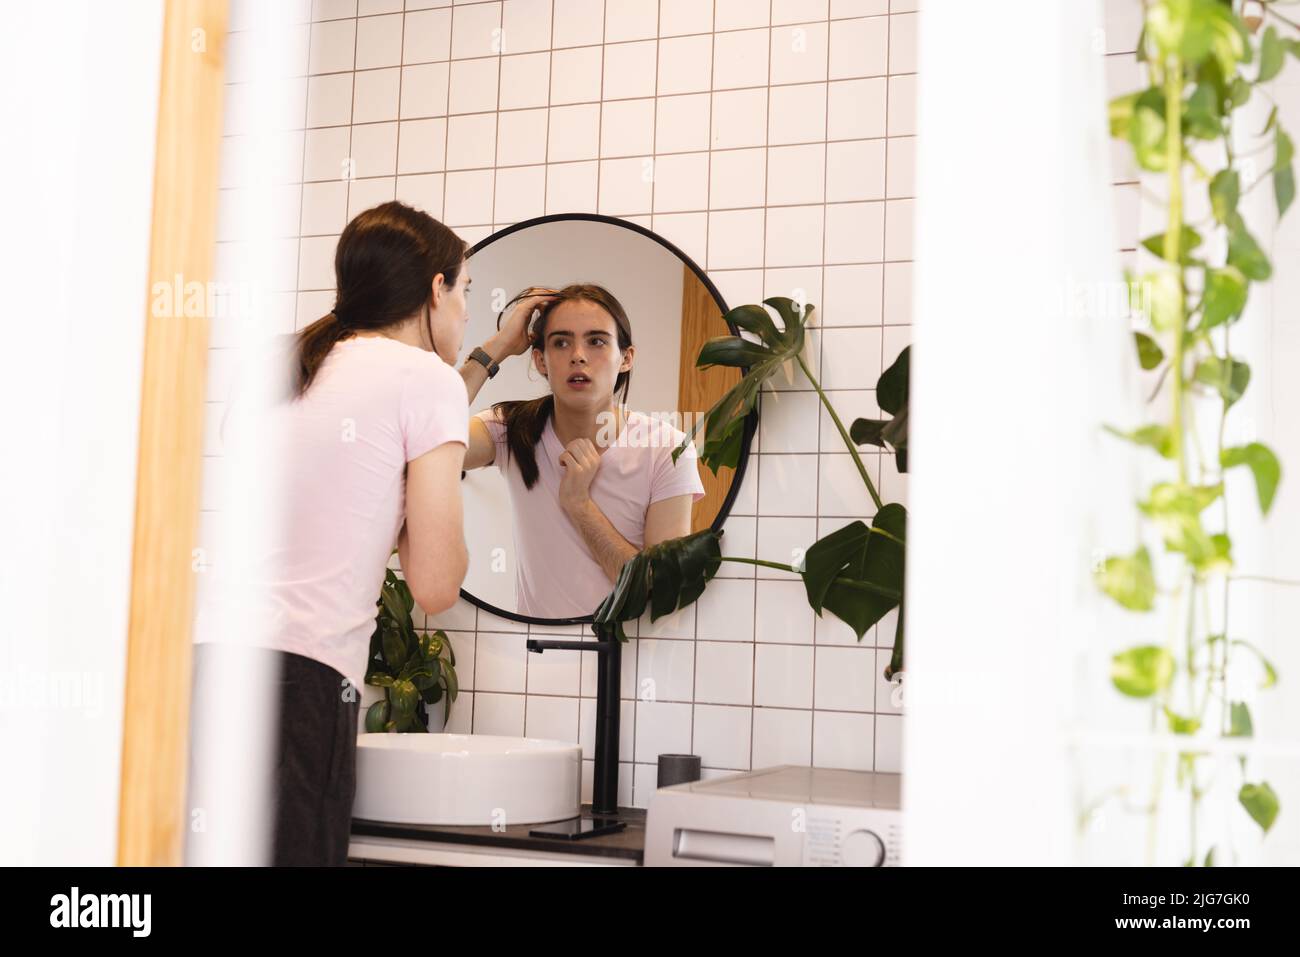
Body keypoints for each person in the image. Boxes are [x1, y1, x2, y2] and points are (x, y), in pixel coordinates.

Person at [188, 201, 542, 865]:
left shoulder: (288, 361)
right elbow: (436, 583)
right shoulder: (424, 381)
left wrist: (491, 351)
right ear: (435, 288)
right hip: (299, 684)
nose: (466, 307)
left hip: (208, 666)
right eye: (464, 289)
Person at [463, 284, 707, 619]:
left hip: (630, 658)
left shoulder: (668, 448)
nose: (578, 355)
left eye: (596, 341)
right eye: (560, 342)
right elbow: (420, 440)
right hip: (537, 655)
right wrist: (497, 347)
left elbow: (659, 589)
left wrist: (580, 506)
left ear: (626, 358)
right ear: (540, 360)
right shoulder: (511, 429)